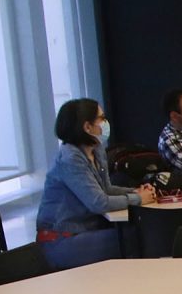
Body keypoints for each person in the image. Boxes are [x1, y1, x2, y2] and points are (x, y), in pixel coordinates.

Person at [36, 98, 155, 242]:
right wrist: (138, 199)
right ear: (87, 127)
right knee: (135, 238)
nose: (105, 123)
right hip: (63, 236)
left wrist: (136, 191)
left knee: (139, 233)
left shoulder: (96, 149)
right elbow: (99, 202)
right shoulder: (70, 158)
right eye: (101, 119)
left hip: (88, 229)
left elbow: (105, 189)